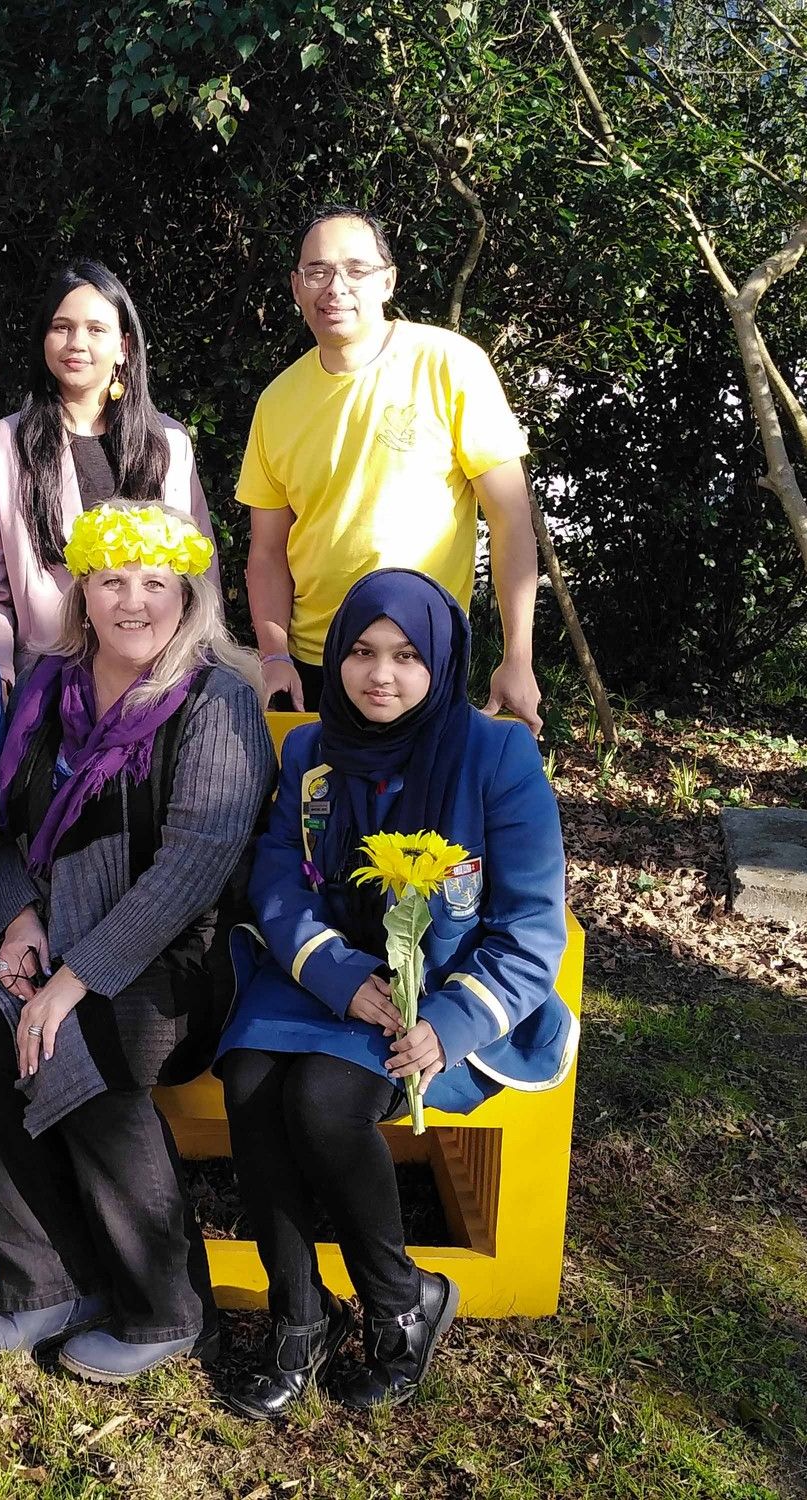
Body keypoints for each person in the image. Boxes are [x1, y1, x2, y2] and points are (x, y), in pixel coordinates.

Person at [216, 567, 575, 1418]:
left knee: (322, 1101)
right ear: (335, 656)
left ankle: (398, 1302)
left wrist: (448, 1024)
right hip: (328, 978)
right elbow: (279, 884)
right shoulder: (310, 752)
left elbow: (531, 931)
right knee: (249, 1083)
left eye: (408, 656)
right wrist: (341, 979)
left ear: (443, 662)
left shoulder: (497, 756)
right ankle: (299, 1314)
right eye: (365, 652)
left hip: (443, 996)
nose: (381, 675)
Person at [0, 503, 274, 1382]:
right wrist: (20, 917)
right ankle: (50, 1283)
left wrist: (75, 977)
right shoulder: (50, 686)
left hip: (182, 956)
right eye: (112, 580)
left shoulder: (219, 700)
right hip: (57, 928)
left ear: (187, 592)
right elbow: (4, 830)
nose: (133, 603)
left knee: (78, 1038)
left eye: (154, 583)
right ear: (82, 589)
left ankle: (166, 1308)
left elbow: (193, 867)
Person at [238, 205, 545, 732]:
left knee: (425, 811)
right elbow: (266, 553)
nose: (336, 287)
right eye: (317, 271)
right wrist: (274, 656)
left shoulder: (448, 363)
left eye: (356, 270)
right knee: (319, 810)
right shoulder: (277, 401)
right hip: (318, 660)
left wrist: (518, 655)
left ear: (388, 281)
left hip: (420, 654)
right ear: (296, 286)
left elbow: (511, 519)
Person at [0, 260, 217, 686]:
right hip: (50, 679)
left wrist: (200, 668)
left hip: (160, 678)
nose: (76, 343)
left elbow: (200, 576)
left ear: (124, 347)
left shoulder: (169, 443)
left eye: (96, 329)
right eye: (61, 327)